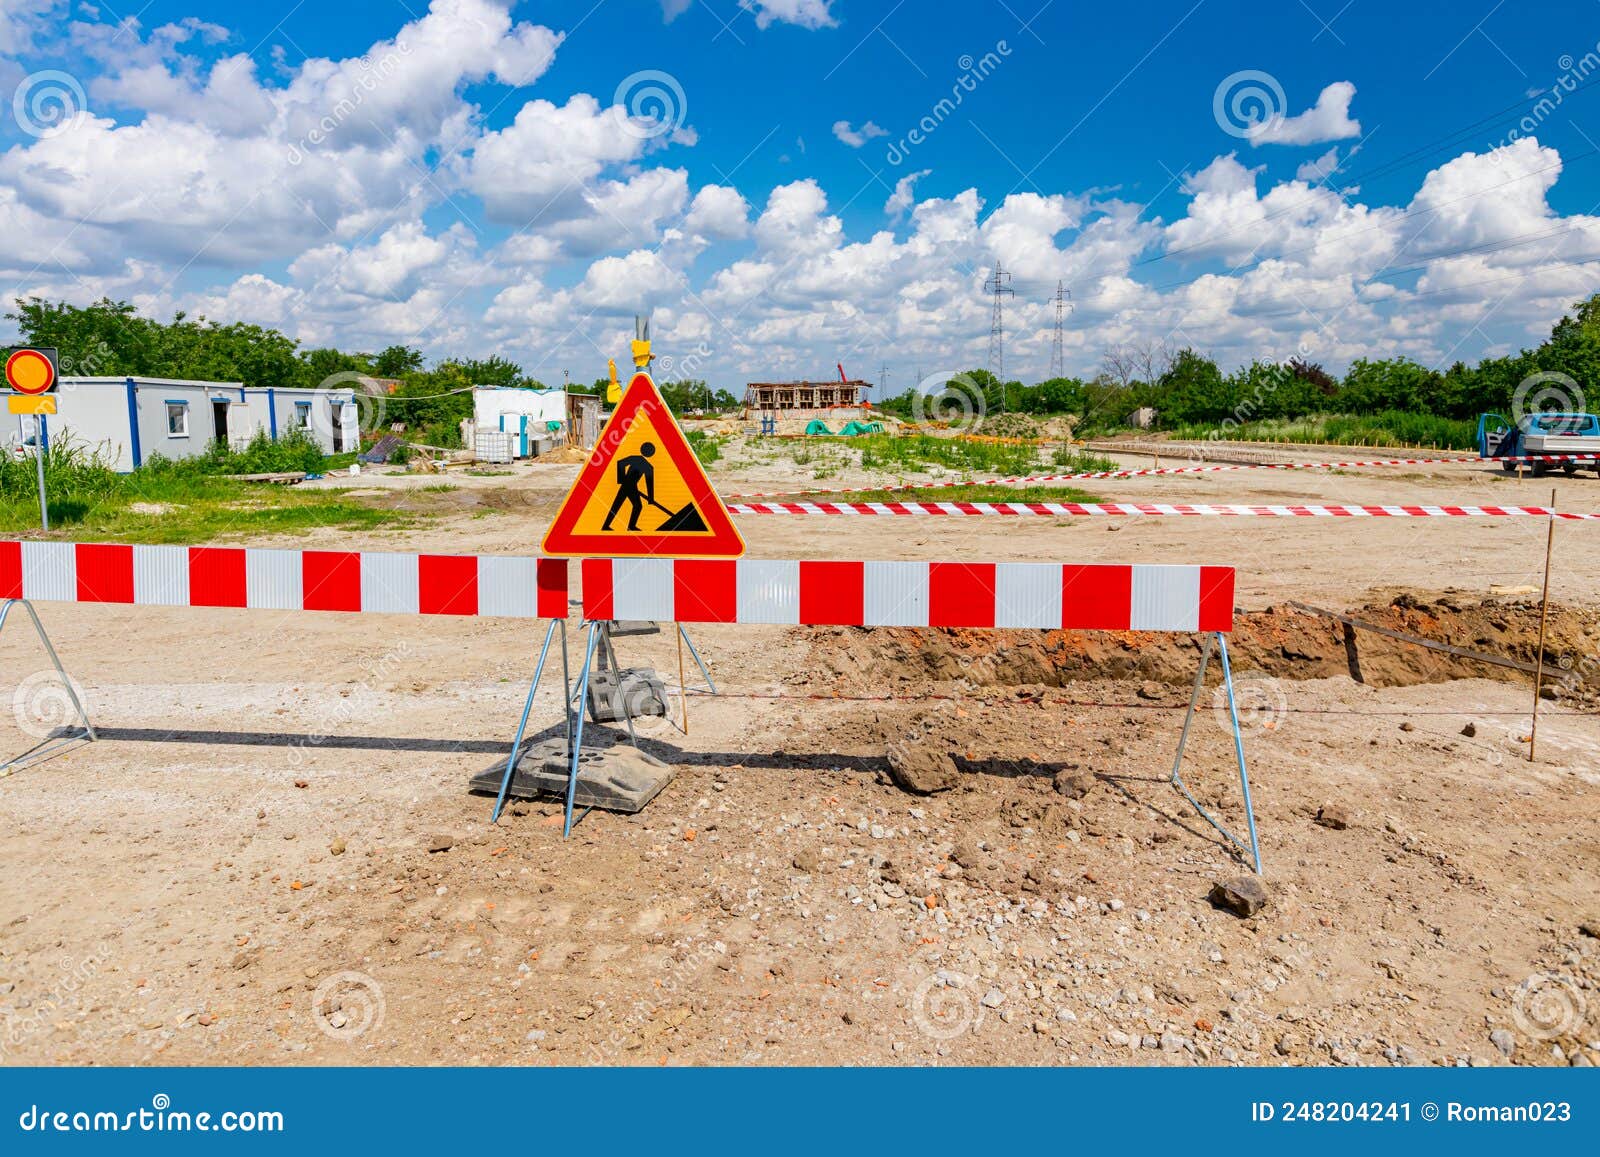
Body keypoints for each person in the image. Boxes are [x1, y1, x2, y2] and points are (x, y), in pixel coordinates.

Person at [601, 441, 656, 531]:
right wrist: (650, 499)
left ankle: (606, 526)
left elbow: (620, 463)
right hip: (631, 486)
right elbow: (649, 483)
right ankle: (631, 527)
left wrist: (622, 480)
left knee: (616, 505)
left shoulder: (635, 459)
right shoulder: (648, 466)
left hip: (626, 485)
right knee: (637, 506)